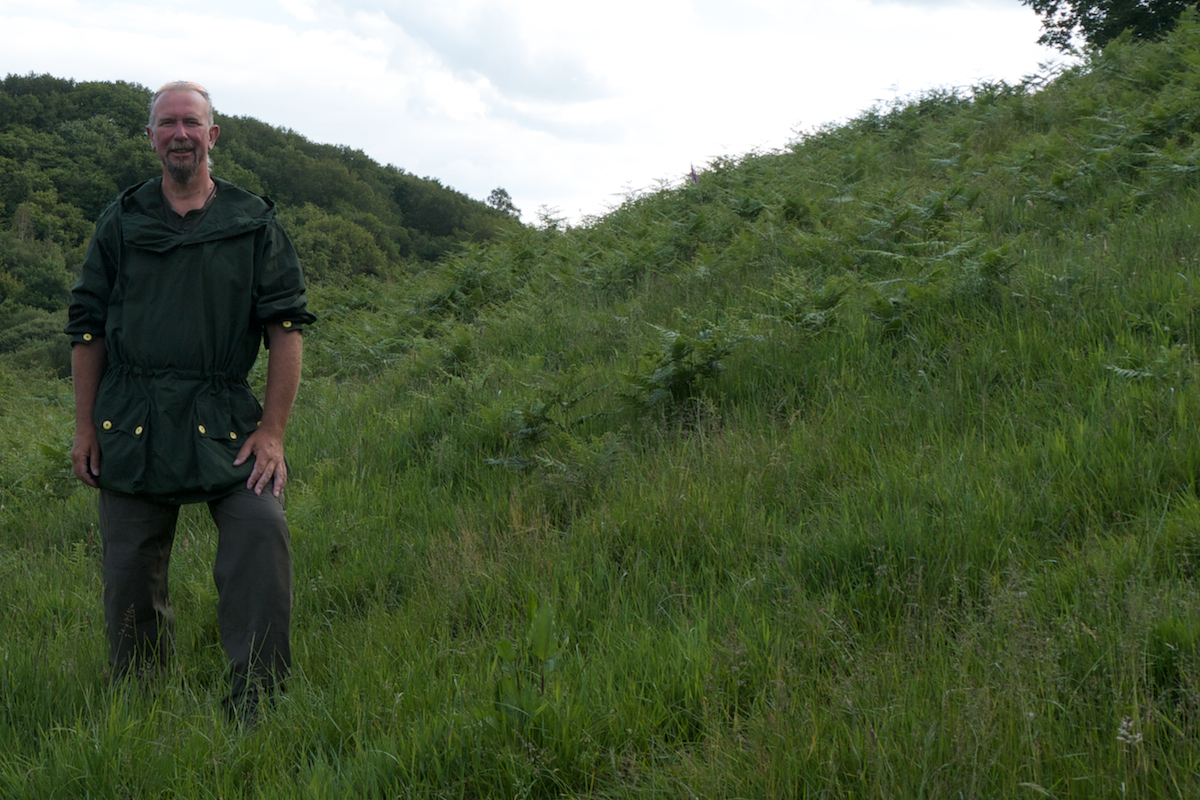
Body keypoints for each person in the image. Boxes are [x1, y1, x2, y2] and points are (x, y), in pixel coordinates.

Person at [65, 81, 315, 721]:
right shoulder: (120, 222)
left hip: (224, 414)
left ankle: (257, 704)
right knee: (128, 573)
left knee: (261, 535)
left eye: (192, 123)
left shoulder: (253, 222)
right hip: (132, 416)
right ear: (151, 137)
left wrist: (274, 432)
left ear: (212, 135)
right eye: (167, 123)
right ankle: (138, 705)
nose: (180, 134)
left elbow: (285, 331)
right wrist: (85, 427)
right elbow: (88, 327)